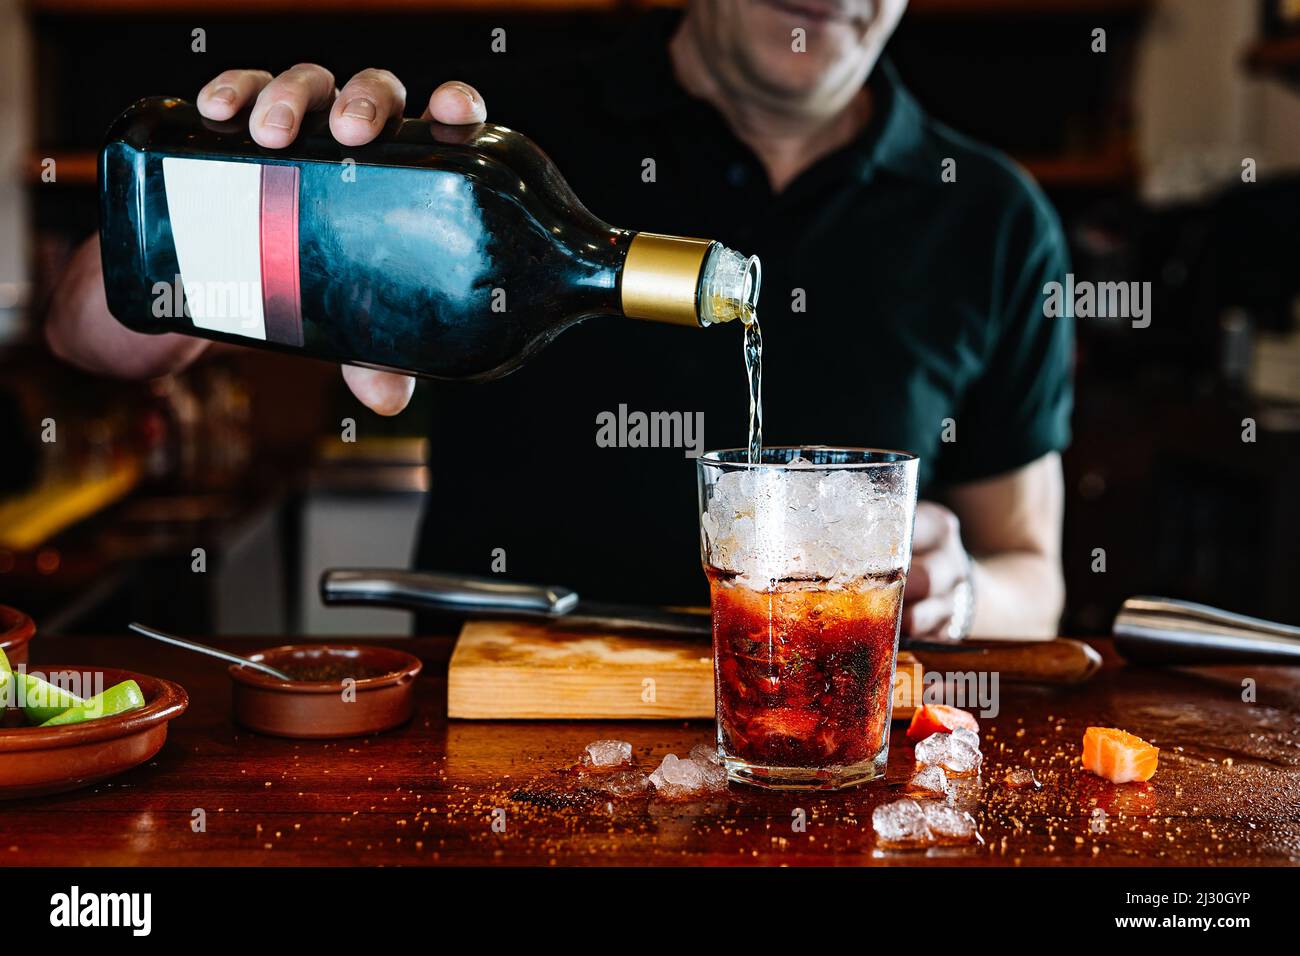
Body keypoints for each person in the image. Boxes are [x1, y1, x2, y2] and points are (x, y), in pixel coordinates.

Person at [46, 0, 1071, 639]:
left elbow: (1036, 577)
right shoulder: (498, 132)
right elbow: (95, 332)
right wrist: (233, 183)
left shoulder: (987, 214)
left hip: (819, 771)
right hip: (485, 748)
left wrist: (962, 594)